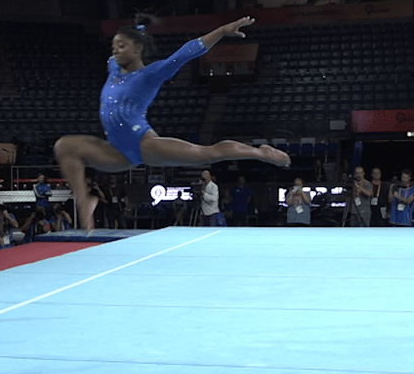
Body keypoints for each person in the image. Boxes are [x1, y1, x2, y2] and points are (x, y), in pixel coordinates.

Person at [54, 14, 290, 230]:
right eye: (113, 46)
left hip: (142, 144)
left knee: (208, 153)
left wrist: (221, 31)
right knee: (64, 146)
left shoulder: (151, 74)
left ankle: (261, 153)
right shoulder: (112, 67)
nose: (115, 51)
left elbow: (187, 53)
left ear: (138, 49)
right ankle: (84, 202)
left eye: (121, 46)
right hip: (116, 152)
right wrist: (138, 26)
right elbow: (129, 39)